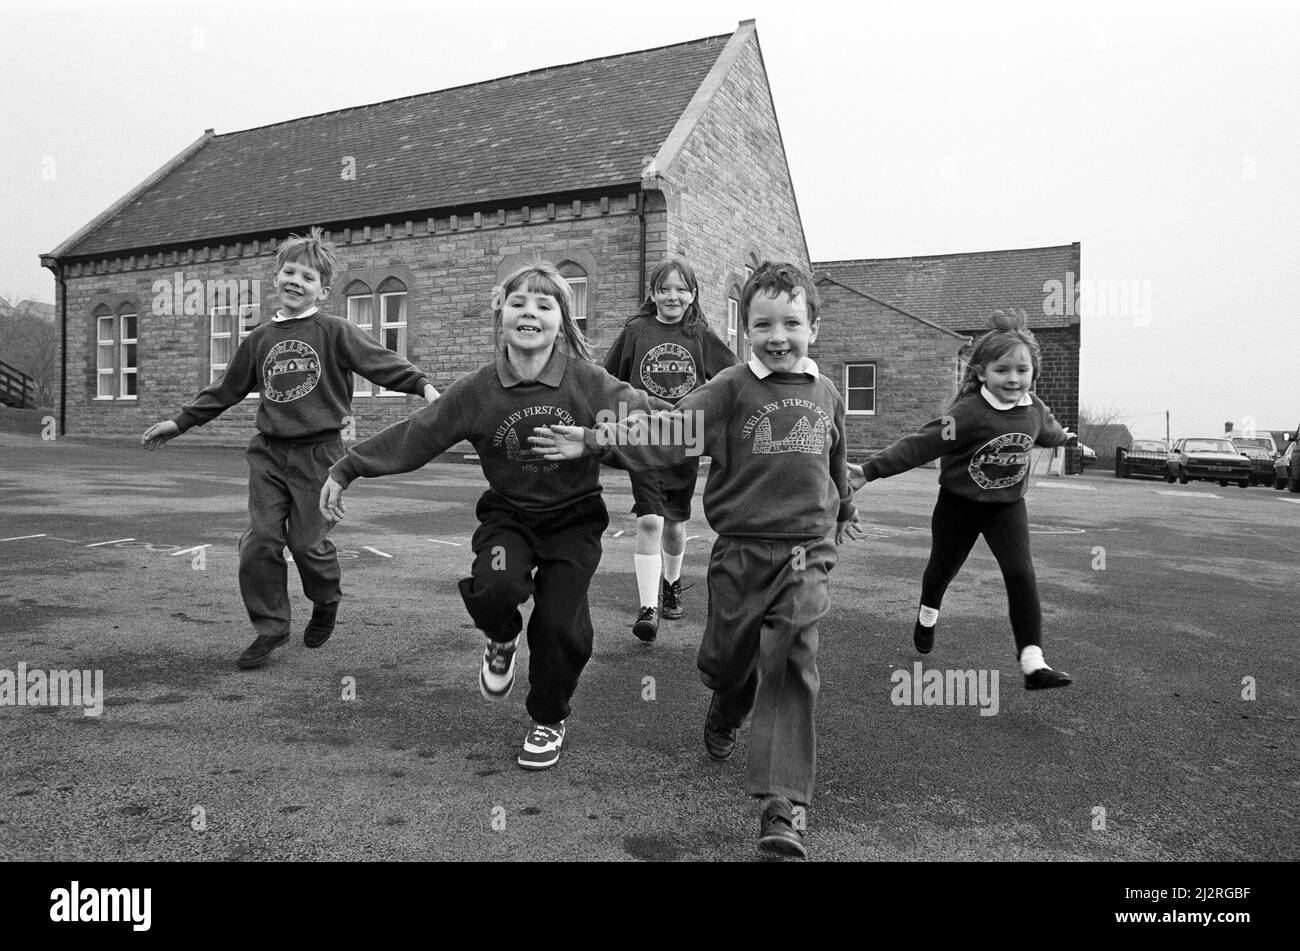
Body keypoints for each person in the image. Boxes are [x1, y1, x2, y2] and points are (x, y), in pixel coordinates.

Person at [532, 261, 861, 859]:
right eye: (763, 324)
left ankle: (784, 804)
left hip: (807, 553)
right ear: (745, 331)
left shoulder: (827, 393)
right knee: (729, 661)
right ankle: (725, 703)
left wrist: (844, 510)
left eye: (792, 322)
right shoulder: (732, 388)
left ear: (814, 325)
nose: (778, 336)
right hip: (740, 553)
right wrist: (591, 437)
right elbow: (666, 428)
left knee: (791, 657)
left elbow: (835, 461)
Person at [319, 263, 666, 771]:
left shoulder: (589, 385)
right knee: (497, 586)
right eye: (519, 302)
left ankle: (548, 718)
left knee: (558, 628)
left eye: (545, 305)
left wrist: (595, 440)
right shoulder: (478, 390)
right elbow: (420, 433)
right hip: (509, 517)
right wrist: (349, 466)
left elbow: (655, 428)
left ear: (565, 323)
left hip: (573, 522)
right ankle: (501, 636)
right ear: (500, 313)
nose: (530, 312)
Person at [141, 228, 438, 670]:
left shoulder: (334, 331)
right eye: (290, 272)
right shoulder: (259, 339)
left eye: (308, 276)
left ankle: (325, 599)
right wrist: (180, 421)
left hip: (319, 454)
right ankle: (271, 627)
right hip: (268, 454)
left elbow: (381, 362)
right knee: (259, 540)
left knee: (307, 544)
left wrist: (422, 386)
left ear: (324, 288)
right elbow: (225, 388)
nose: (296, 281)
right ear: (276, 277)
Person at [851, 309, 1075, 690]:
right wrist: (869, 471)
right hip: (959, 505)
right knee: (941, 572)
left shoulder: (1034, 409)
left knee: (1021, 574)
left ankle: (1033, 662)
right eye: (1003, 370)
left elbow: (1049, 431)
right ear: (982, 372)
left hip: (1007, 506)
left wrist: (1066, 439)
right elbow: (923, 443)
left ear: (1033, 374)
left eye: (1022, 371)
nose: (1013, 379)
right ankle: (927, 614)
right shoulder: (969, 414)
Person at [602, 258, 737, 641]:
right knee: (649, 519)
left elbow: (733, 376)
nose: (672, 296)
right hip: (642, 433)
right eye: (664, 288)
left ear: (693, 295)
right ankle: (648, 608)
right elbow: (607, 378)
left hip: (686, 434)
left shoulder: (700, 334)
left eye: (681, 289)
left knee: (675, 524)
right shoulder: (636, 330)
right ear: (652, 294)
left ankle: (672, 583)